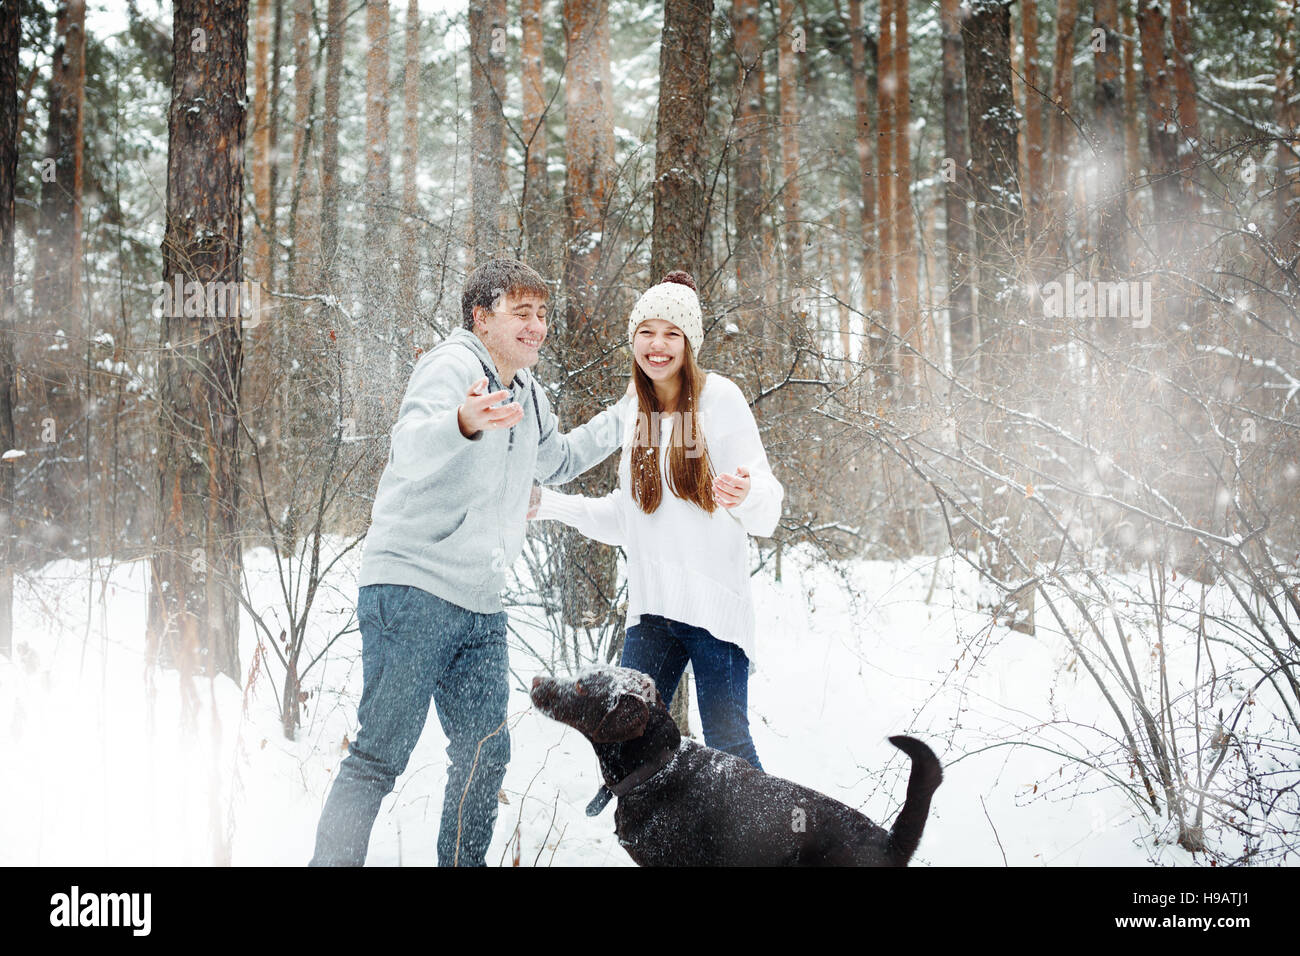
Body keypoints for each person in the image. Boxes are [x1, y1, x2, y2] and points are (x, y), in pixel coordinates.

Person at [310, 258, 628, 866]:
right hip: (414, 588)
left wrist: (624, 417)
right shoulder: (452, 365)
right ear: (482, 317)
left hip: (481, 603)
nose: (537, 326)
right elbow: (408, 447)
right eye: (522, 313)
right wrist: (462, 420)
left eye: (542, 314)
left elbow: (556, 461)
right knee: (379, 756)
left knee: (485, 753)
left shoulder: (527, 390)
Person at [530, 271, 783, 771]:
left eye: (672, 333)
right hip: (652, 612)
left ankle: (769, 825)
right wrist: (548, 504)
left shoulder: (719, 399)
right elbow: (626, 520)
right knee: (627, 746)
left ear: (689, 343)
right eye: (646, 331)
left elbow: (768, 510)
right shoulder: (637, 413)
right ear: (634, 340)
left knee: (727, 743)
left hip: (713, 610)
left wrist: (748, 493)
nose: (658, 345)